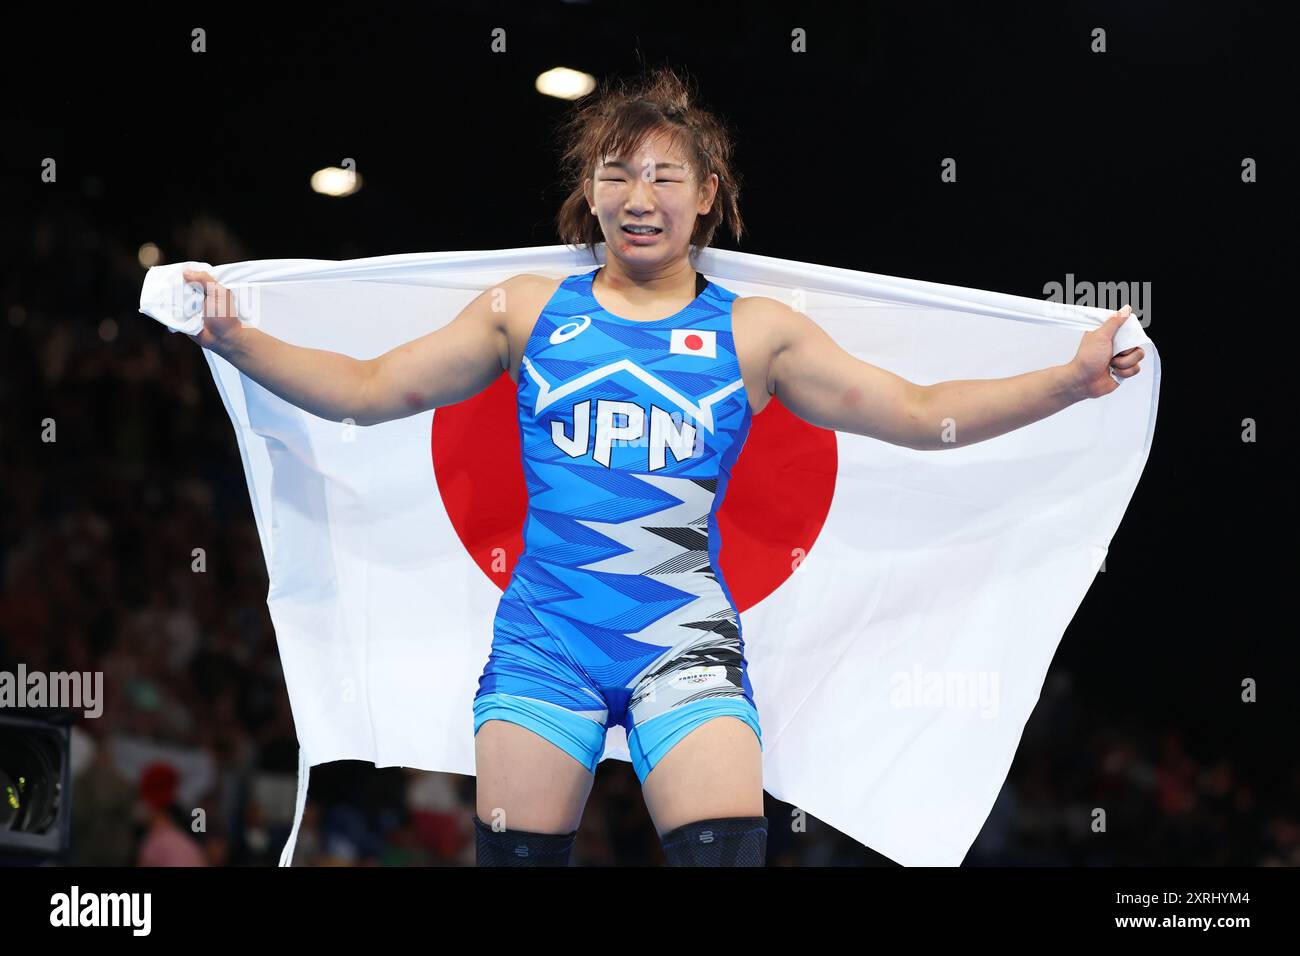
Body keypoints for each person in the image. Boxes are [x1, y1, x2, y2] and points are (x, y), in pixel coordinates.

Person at [180, 66, 1143, 867]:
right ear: (589, 191)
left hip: (684, 643)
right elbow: (366, 387)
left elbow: (920, 413)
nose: (640, 198)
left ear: (707, 194)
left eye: (665, 176)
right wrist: (233, 338)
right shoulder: (525, 310)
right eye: (617, 174)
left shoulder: (756, 334)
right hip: (544, 644)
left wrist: (1068, 381)